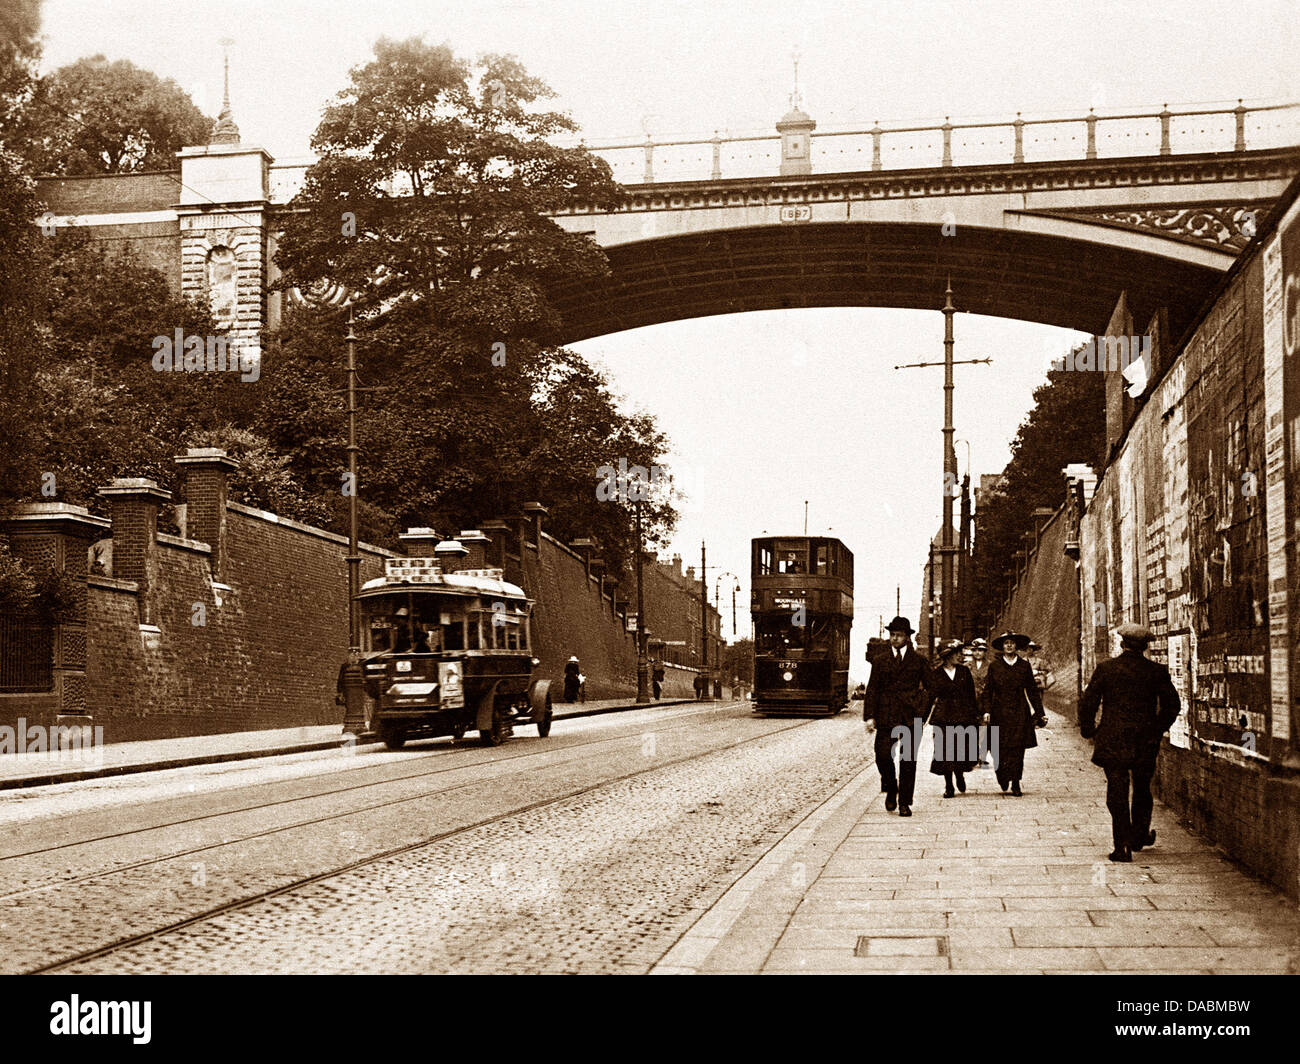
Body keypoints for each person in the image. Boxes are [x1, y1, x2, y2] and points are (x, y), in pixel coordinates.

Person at [1078, 623, 1181, 863]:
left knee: (1117, 789)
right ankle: (1138, 836)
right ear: (1145, 647)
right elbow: (1172, 706)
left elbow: (1088, 702)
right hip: (1145, 740)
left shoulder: (1106, 669)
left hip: (1113, 739)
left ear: (1122, 644)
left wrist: (1088, 730)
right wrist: (1156, 729)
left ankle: (1121, 845)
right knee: (1143, 787)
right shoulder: (1156, 671)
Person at [863, 616, 930, 817]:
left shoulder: (919, 660)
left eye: (899, 635)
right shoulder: (880, 660)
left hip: (911, 716)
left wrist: (922, 711)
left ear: (907, 638)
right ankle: (891, 787)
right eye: (892, 635)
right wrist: (870, 716)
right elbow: (872, 689)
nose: (894, 639)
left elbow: (931, 688)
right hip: (886, 715)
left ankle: (904, 802)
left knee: (908, 760)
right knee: (882, 755)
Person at [980, 631, 1046, 796]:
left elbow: (1031, 690)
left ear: (1016, 646)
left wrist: (1040, 713)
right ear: (1002, 647)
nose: (1009, 645)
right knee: (1000, 748)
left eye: (1011, 643)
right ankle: (1002, 775)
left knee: (1017, 749)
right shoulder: (995, 666)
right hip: (999, 712)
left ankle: (1016, 781)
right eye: (1005, 643)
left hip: (1019, 711)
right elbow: (988, 690)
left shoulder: (1024, 666)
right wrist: (986, 710)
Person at [928, 639, 980, 798]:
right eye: (956, 653)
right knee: (944, 751)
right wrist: (920, 718)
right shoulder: (936, 674)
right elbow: (930, 697)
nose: (960, 655)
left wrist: (976, 715)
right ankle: (949, 785)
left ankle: (959, 775)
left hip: (963, 716)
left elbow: (971, 695)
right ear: (948, 655)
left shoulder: (964, 672)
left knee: (960, 750)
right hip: (943, 717)